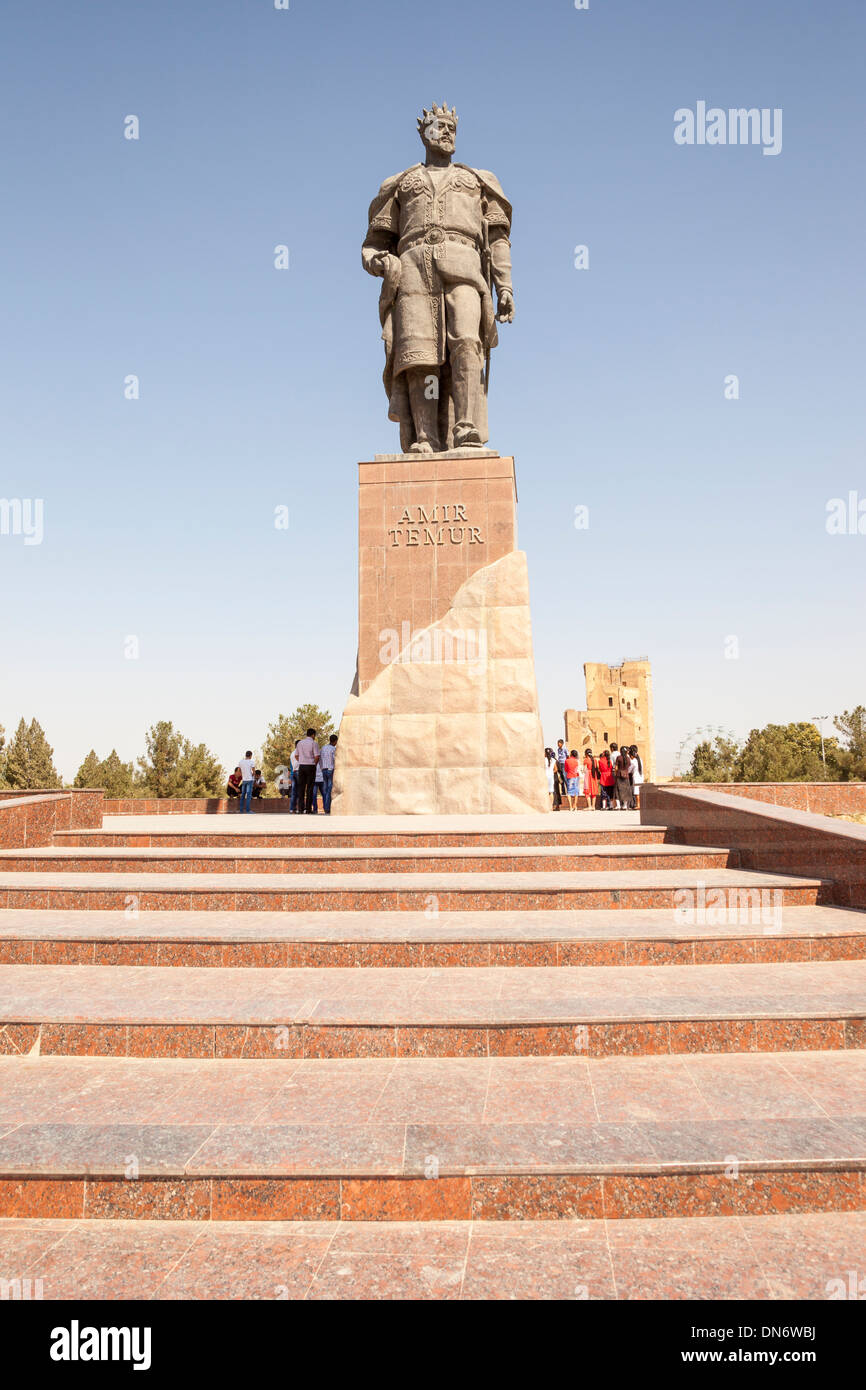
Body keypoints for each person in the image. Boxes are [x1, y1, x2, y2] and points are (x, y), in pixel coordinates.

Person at [295, 728, 320, 815]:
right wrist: (314, 764)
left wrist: (301, 761)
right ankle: (308, 809)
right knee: (310, 788)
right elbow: (317, 756)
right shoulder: (314, 743)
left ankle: (300, 809)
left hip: (301, 766)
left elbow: (296, 755)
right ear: (313, 735)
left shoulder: (300, 743)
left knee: (301, 788)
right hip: (311, 766)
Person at [319, 733, 338, 815]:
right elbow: (335, 759)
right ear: (335, 741)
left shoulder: (323, 748)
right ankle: (327, 808)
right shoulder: (333, 749)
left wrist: (322, 767)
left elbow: (320, 759)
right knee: (330, 790)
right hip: (330, 769)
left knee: (325, 789)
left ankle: (325, 807)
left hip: (324, 769)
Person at [614, 745, 633, 811]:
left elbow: (616, 767)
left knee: (617, 790)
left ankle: (618, 805)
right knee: (625, 790)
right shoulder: (628, 758)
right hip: (626, 775)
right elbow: (629, 766)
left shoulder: (618, 757)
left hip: (619, 775)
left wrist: (615, 772)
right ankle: (624, 805)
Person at [238, 750, 255, 814]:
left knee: (242, 795)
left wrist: (243, 775)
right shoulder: (251, 762)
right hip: (250, 780)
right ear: (250, 755)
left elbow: (239, 771)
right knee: (248, 795)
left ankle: (241, 810)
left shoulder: (241, 762)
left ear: (245, 755)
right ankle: (248, 810)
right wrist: (253, 775)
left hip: (244, 780)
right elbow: (254, 771)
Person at [563, 747, 581, 811]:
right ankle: (575, 806)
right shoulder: (577, 761)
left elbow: (566, 769)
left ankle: (570, 806)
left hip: (569, 776)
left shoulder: (567, 760)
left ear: (571, 754)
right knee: (576, 792)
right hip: (576, 776)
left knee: (569, 792)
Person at [289, 740, 301, 813]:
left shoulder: (292, 753)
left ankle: (292, 808)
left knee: (294, 792)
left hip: (293, 773)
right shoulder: (299, 753)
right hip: (298, 772)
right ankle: (300, 808)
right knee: (300, 791)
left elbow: (291, 765)